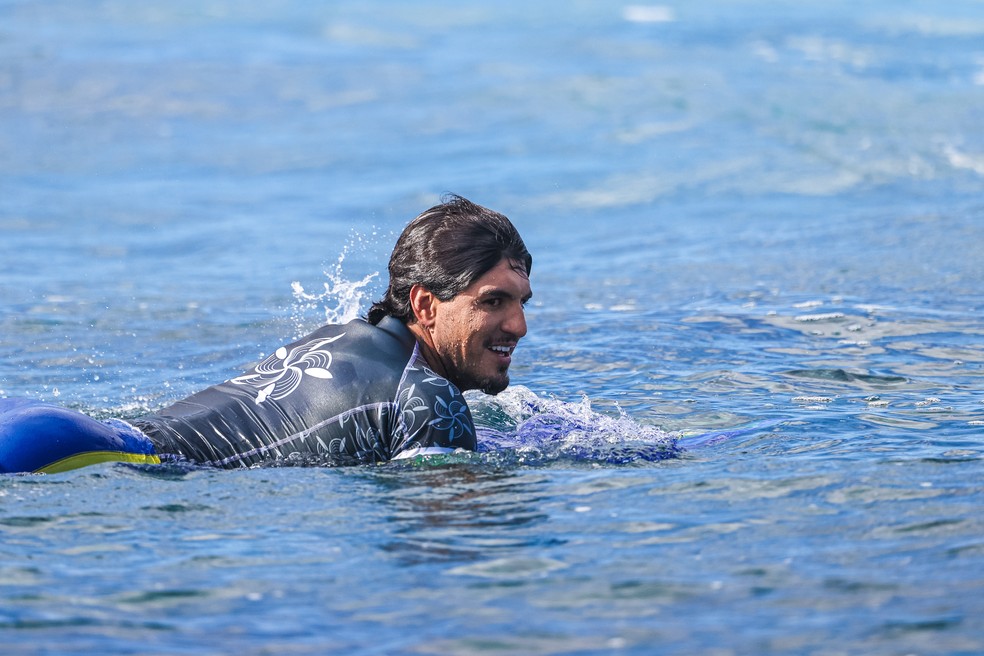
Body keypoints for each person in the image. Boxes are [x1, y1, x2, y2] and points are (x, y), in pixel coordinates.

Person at [0, 195, 533, 473]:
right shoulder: (428, 402)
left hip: (48, 425)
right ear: (424, 304)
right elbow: (454, 559)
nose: (519, 325)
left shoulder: (346, 333)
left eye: (520, 303)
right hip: (73, 456)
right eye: (493, 302)